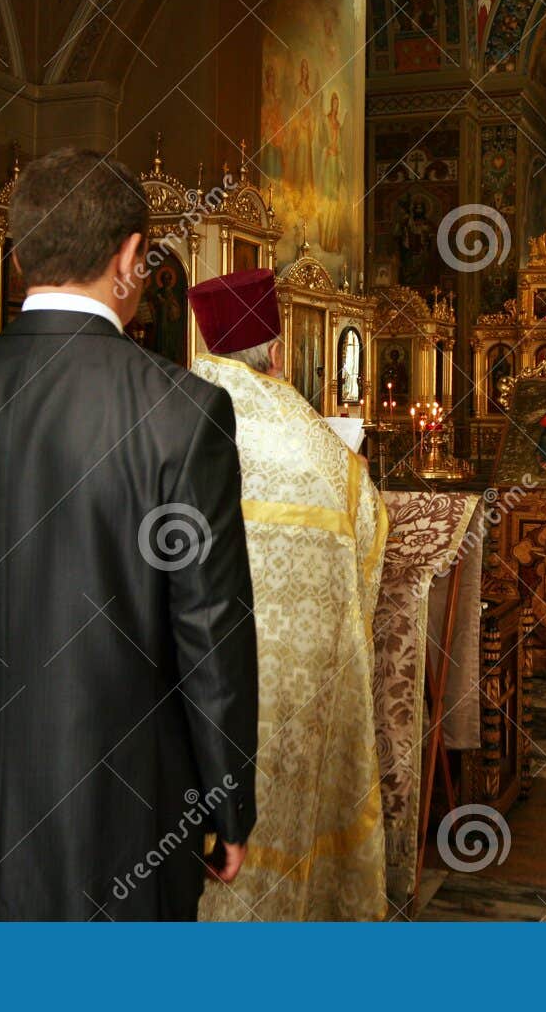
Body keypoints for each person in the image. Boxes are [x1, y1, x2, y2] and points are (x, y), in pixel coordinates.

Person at [0, 148, 258, 921]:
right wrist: (228, 801)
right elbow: (210, 629)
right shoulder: (182, 412)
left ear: (20, 255)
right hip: (123, 816)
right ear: (128, 257)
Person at [187, 269, 388, 921]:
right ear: (276, 350)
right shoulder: (320, 449)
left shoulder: (168, 417)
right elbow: (369, 544)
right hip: (298, 696)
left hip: (194, 688)